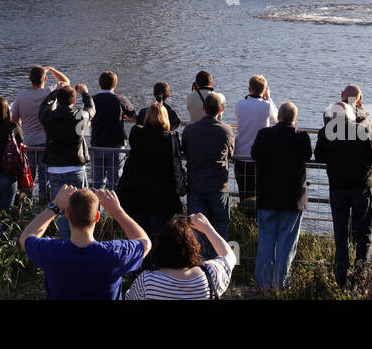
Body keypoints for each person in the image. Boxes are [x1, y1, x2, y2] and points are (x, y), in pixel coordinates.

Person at [19, 186, 149, 300]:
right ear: (97, 217)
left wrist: (55, 206)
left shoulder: (52, 252)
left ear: (67, 214)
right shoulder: (114, 254)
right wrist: (117, 211)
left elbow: (25, 238)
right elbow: (145, 242)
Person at [314, 86, 372, 287]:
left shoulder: (326, 133)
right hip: (361, 187)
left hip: (337, 188)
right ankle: (361, 276)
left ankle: (341, 277)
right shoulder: (362, 131)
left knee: (341, 234)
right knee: (363, 234)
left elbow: (319, 156)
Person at [250, 101, 311, 291]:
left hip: (267, 196)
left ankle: (263, 283)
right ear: (295, 118)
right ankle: (280, 284)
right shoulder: (302, 136)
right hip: (292, 199)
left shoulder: (264, 134)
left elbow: (254, 154)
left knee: (266, 242)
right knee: (286, 244)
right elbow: (307, 156)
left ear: (278, 117)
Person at [125, 212, 237, 299]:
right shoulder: (210, 275)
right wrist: (207, 228)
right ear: (194, 247)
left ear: (160, 248)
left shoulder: (147, 282)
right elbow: (230, 256)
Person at [116, 103, 183, 241]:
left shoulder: (136, 133)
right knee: (159, 238)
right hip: (162, 197)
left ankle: (139, 262)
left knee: (137, 238)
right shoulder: (171, 138)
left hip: (134, 194)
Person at [39, 83, 95, 237]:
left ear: (58, 99)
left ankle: (65, 241)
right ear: (73, 100)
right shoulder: (79, 116)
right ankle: (81, 241)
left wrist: (54, 92)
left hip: (55, 168)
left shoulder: (49, 117)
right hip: (76, 167)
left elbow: (43, 107)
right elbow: (91, 109)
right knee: (81, 209)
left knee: (61, 209)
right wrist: (86, 93)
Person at [182, 92, 235, 239]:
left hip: (196, 184)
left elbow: (186, 150)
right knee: (219, 229)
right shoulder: (226, 130)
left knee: (197, 230)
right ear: (220, 110)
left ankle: (199, 260)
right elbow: (230, 153)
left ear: (203, 109)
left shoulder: (190, 130)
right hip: (218, 186)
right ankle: (219, 259)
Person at [11, 65, 62, 195]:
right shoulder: (50, 92)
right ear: (45, 78)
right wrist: (51, 70)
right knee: (45, 179)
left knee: (28, 178)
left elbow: (14, 121)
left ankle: (26, 205)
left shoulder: (21, 96)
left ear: (29, 79)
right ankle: (44, 205)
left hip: (28, 143)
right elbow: (65, 82)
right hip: (46, 143)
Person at [232, 74, 277, 214]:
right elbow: (276, 119)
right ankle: (257, 224)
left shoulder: (239, 105)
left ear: (249, 88)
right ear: (264, 90)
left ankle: (243, 221)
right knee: (260, 194)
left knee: (244, 193)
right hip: (260, 158)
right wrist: (269, 97)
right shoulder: (267, 106)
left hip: (241, 156)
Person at [90, 71, 136, 189]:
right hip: (116, 146)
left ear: (100, 83)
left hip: (97, 145)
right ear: (115, 84)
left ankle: (96, 207)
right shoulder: (120, 99)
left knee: (97, 182)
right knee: (115, 183)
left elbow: (83, 116)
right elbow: (134, 116)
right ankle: (113, 206)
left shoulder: (92, 100)